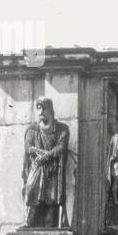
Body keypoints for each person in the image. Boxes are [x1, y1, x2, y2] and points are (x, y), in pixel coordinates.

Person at [23, 97, 71, 227]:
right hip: (37, 169)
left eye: (44, 108)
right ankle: (28, 222)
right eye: (39, 109)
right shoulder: (32, 130)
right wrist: (36, 153)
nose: (41, 112)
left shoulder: (62, 129)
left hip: (53, 170)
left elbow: (61, 147)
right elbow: (28, 147)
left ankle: (50, 227)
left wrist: (46, 156)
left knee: (51, 199)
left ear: (51, 110)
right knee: (32, 193)